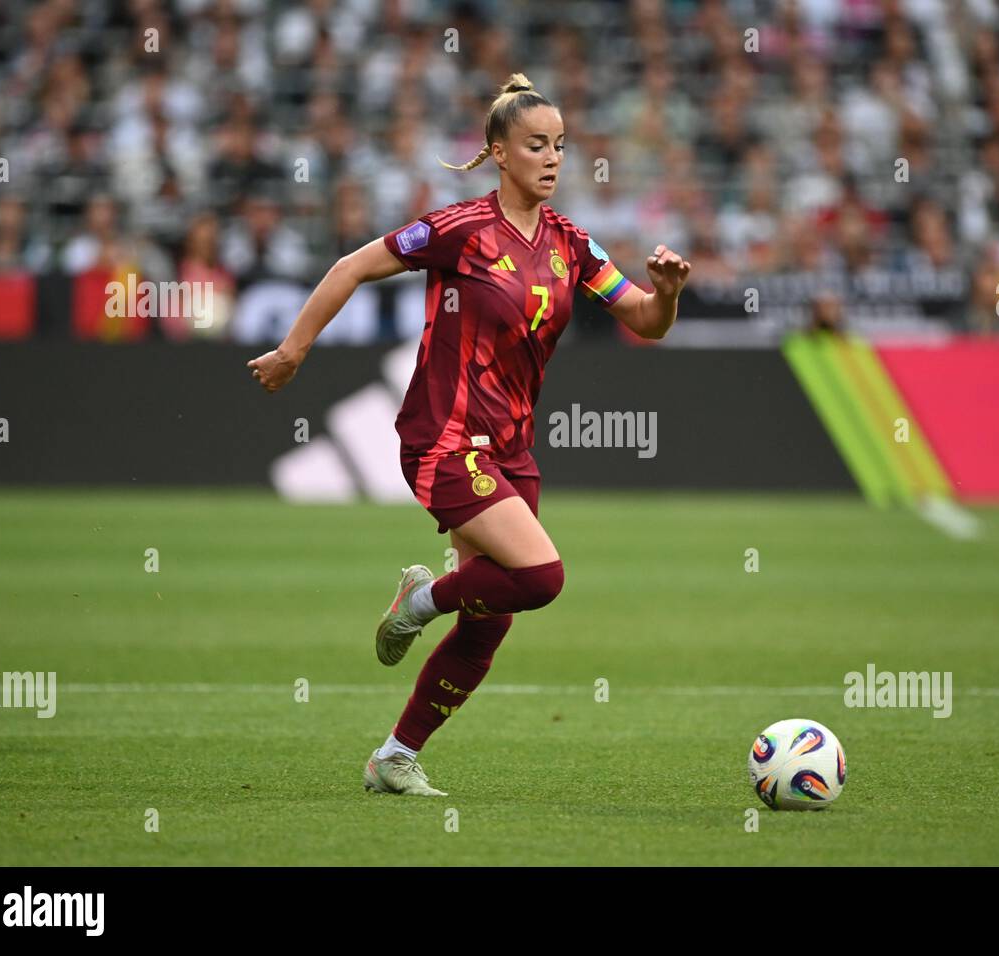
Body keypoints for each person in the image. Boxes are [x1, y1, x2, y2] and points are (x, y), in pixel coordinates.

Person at [246, 74, 691, 796]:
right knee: (542, 577)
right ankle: (420, 601)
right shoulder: (458, 230)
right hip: (445, 440)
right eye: (536, 145)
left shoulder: (571, 243)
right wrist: (295, 349)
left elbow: (644, 320)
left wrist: (667, 291)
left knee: (490, 623)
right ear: (498, 153)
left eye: (561, 147)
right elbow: (352, 266)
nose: (552, 158)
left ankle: (393, 757)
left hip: (512, 449)